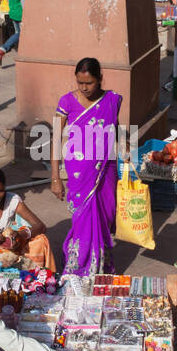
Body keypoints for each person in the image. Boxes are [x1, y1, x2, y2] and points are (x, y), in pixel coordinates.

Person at [51, 58, 122, 276]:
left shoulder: (111, 100)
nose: (84, 88)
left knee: (105, 214)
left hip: (106, 168)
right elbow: (55, 139)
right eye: (80, 82)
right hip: (79, 171)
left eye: (89, 83)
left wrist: (126, 153)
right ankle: (78, 265)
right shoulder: (66, 102)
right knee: (83, 217)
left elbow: (115, 130)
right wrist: (55, 177)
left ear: (100, 79)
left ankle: (100, 264)